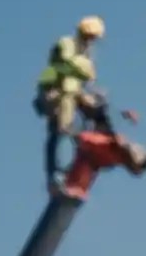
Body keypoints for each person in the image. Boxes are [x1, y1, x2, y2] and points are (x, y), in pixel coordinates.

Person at [34, 15, 105, 192]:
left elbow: (84, 81)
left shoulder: (85, 53)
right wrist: (84, 70)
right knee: (60, 132)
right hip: (56, 94)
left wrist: (92, 95)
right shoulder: (67, 44)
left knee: (82, 131)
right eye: (90, 37)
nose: (91, 41)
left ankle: (74, 173)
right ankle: (56, 177)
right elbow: (65, 65)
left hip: (72, 94)